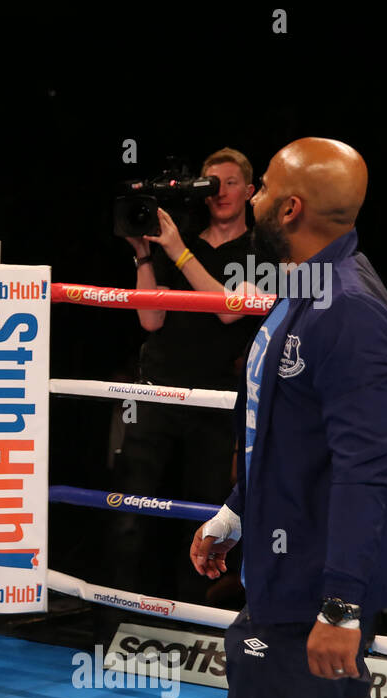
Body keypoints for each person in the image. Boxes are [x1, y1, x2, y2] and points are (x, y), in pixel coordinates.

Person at [189, 138, 387, 698]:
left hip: (308, 592)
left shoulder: (350, 310)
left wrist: (340, 606)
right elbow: (286, 434)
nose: (254, 199)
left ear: (291, 208)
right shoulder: (308, 286)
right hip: (292, 568)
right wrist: (235, 515)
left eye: (263, 188)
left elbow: (367, 470)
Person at [114, 148, 261, 607]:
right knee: (131, 512)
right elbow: (151, 320)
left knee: (203, 513)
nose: (220, 191)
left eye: (231, 181)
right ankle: (114, 613)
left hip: (216, 401)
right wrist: (144, 255)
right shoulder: (180, 240)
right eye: (210, 182)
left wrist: (176, 251)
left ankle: (192, 624)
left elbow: (229, 312)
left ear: (251, 191)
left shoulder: (259, 251)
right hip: (158, 390)